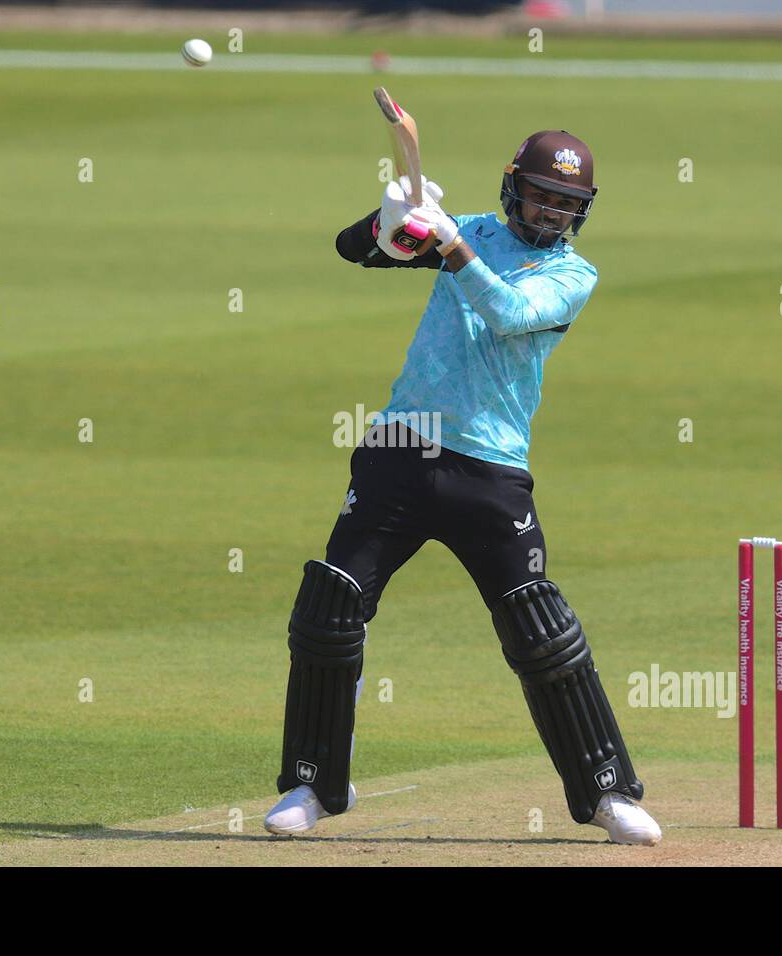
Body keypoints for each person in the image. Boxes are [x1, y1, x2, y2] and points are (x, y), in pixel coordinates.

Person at [264, 130, 662, 846]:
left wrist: (450, 246)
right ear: (514, 186)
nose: (549, 212)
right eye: (541, 195)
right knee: (330, 611)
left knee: (540, 633)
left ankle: (609, 794)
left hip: (490, 469)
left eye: (565, 204)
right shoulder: (470, 229)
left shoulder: (572, 275)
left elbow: (507, 313)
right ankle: (313, 783)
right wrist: (391, 219)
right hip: (397, 450)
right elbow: (353, 251)